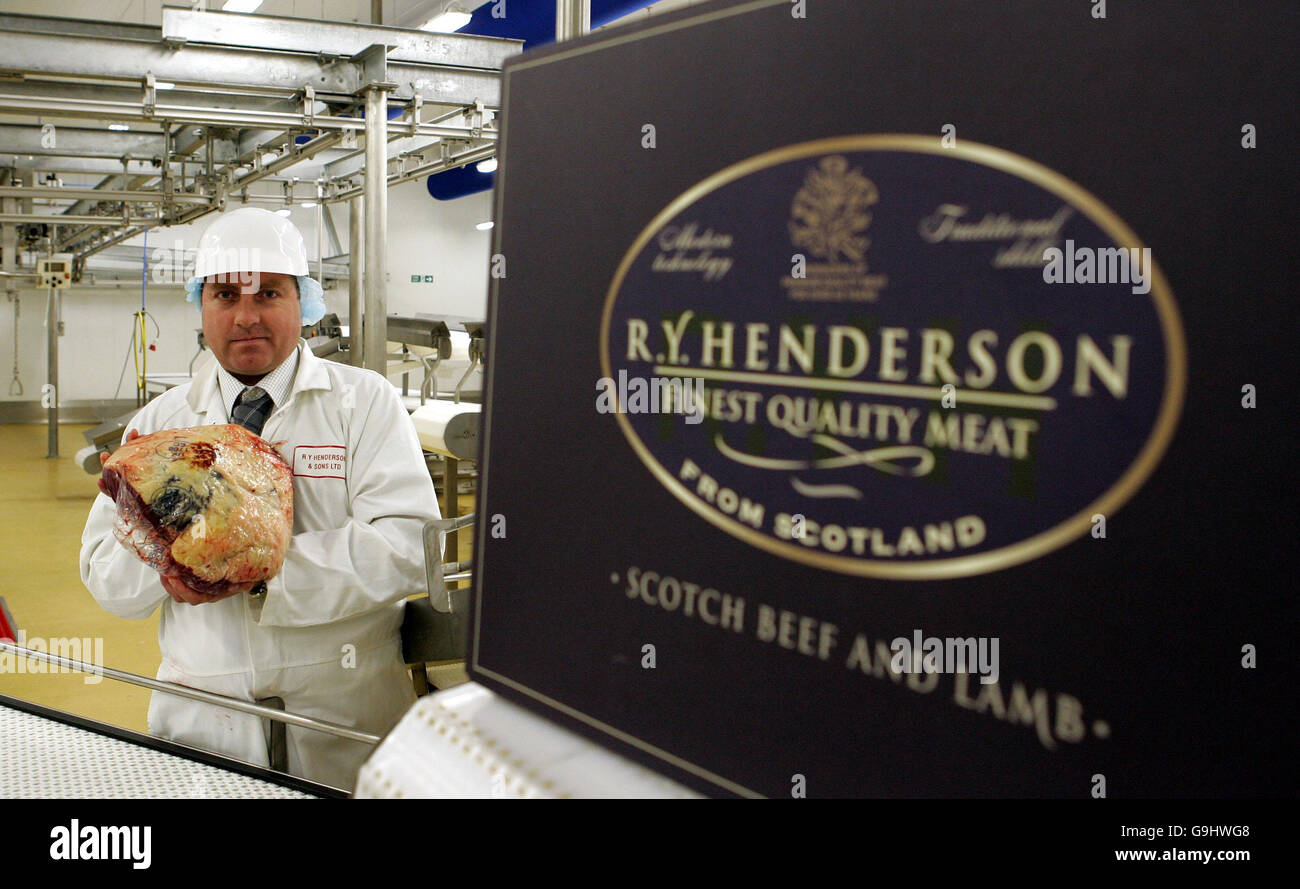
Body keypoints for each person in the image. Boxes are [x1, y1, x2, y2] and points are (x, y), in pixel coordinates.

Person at [80, 207, 440, 791]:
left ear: (305, 304)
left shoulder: (364, 403)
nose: (246, 316)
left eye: (268, 293)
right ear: (202, 306)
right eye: (225, 295)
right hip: (205, 721)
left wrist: (251, 572)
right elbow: (108, 582)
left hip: (342, 714)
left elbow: (406, 545)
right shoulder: (161, 426)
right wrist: (162, 540)